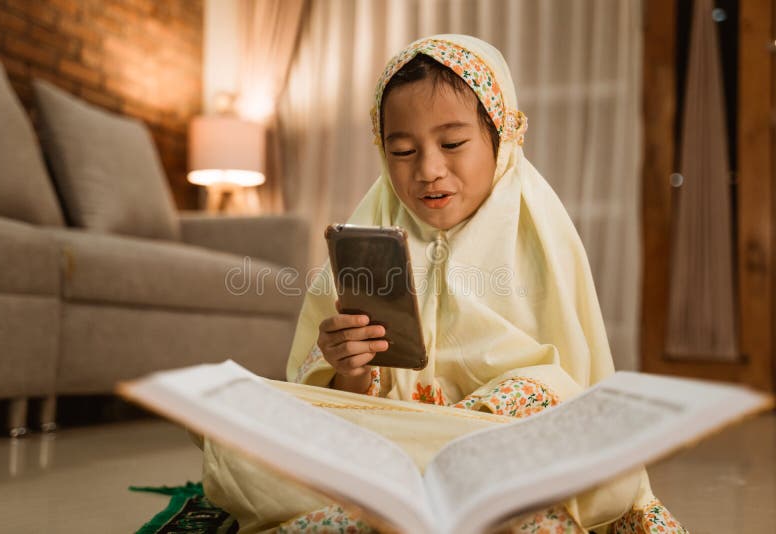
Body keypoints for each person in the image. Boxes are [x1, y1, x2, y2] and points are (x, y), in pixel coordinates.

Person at [203, 34, 686, 533]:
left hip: (500, 444)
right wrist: (346, 366)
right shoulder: (371, 231)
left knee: (542, 389)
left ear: (501, 136)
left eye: (453, 144)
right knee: (233, 426)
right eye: (402, 150)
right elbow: (346, 405)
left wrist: (501, 412)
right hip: (392, 441)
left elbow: (575, 390)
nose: (429, 171)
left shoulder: (541, 232)